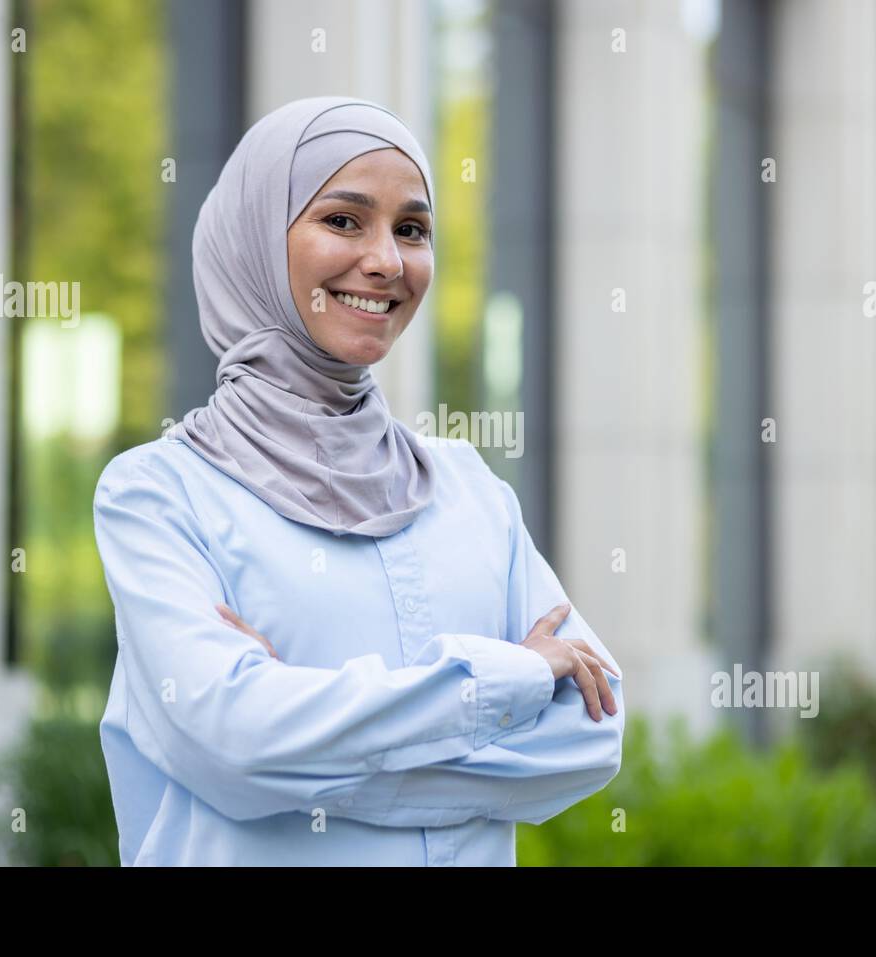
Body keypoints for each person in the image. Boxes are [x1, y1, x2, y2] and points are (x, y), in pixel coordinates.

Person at [92, 95, 624, 866]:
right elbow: (234, 733)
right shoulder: (160, 493)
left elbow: (591, 733)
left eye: (412, 229)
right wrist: (507, 679)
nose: (385, 260)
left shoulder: (468, 488)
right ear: (256, 242)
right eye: (344, 220)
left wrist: (300, 751)